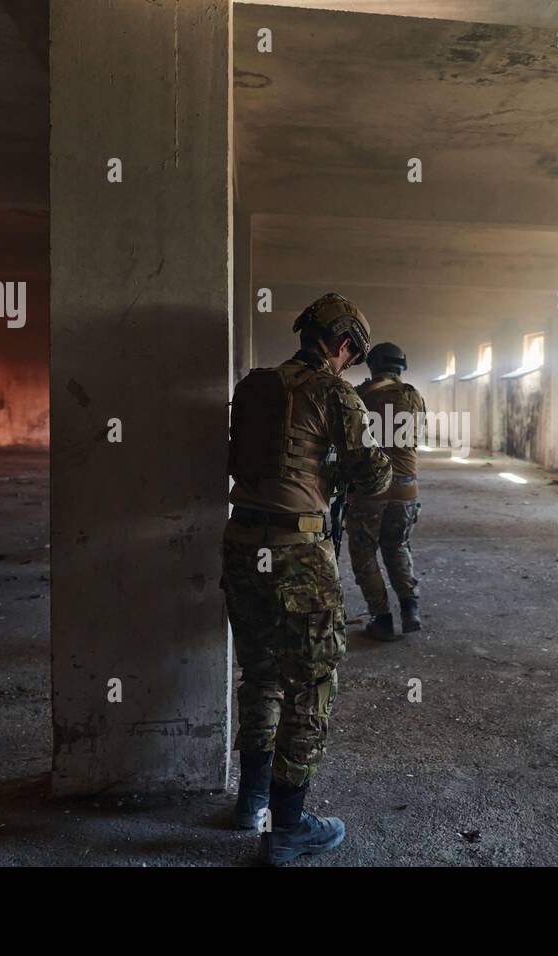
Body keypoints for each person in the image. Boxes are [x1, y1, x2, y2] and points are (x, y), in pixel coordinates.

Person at [221, 292, 391, 865]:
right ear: (344, 346)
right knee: (312, 680)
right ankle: (290, 828)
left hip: (243, 544)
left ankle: (251, 801)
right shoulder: (335, 391)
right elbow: (373, 472)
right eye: (351, 356)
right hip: (297, 549)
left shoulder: (252, 385)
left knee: (261, 671)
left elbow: (235, 459)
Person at [347, 342, 427, 641]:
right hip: (407, 488)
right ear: (401, 366)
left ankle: (381, 619)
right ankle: (410, 608)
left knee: (365, 554)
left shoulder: (358, 397)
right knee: (397, 546)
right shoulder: (414, 395)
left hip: (370, 490)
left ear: (372, 365)